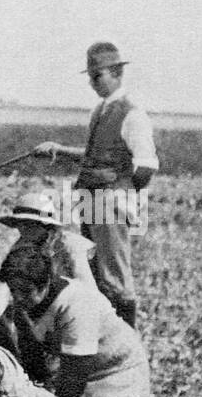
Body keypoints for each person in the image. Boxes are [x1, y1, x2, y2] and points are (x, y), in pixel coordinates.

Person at [33, 42, 159, 328]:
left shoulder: (132, 114)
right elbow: (94, 157)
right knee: (94, 273)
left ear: (117, 73)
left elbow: (147, 165)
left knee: (115, 277)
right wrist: (60, 149)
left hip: (109, 202)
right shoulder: (100, 111)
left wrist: (123, 195)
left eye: (97, 76)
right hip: (90, 200)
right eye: (90, 76)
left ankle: (128, 345)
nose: (92, 83)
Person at [0, 246, 152, 397]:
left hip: (118, 375)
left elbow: (74, 374)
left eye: (25, 291)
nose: (17, 297)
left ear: (45, 284)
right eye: (12, 290)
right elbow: (32, 357)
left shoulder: (76, 305)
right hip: (84, 374)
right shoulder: (23, 304)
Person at [0, 192, 96, 369]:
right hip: (37, 307)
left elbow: (88, 293)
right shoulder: (21, 248)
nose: (24, 230)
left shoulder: (68, 246)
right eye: (21, 225)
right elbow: (7, 286)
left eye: (31, 225)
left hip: (70, 309)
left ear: (45, 225)